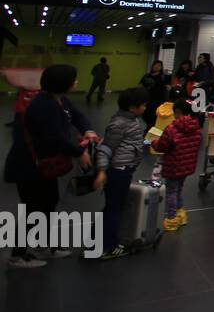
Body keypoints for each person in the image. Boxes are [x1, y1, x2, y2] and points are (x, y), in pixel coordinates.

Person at [4, 65, 100, 267]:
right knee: (34, 208)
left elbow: (77, 116)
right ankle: (18, 255)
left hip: (43, 165)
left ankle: (44, 246)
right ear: (62, 83)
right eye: (73, 79)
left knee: (48, 202)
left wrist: (88, 130)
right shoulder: (43, 106)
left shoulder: (59, 99)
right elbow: (54, 139)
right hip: (28, 166)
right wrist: (80, 152)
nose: (76, 82)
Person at [92, 85, 149, 261]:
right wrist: (102, 171)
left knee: (112, 208)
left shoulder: (131, 120)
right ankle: (108, 247)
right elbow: (106, 148)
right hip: (118, 172)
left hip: (124, 170)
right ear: (133, 107)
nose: (145, 107)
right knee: (114, 209)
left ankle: (95, 242)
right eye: (143, 105)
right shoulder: (119, 123)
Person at [151, 92, 202, 232]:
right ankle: (181, 214)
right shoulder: (197, 128)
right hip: (187, 165)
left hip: (173, 165)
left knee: (171, 191)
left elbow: (162, 146)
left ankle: (172, 218)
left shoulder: (172, 128)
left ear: (177, 112)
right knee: (179, 189)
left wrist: (153, 142)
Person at [139, 59, 169, 130]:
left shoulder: (162, 77)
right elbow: (140, 85)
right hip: (146, 99)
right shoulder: (147, 76)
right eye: (155, 65)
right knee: (145, 115)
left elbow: (166, 88)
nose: (157, 67)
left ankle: (149, 131)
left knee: (153, 117)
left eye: (159, 66)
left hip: (157, 100)